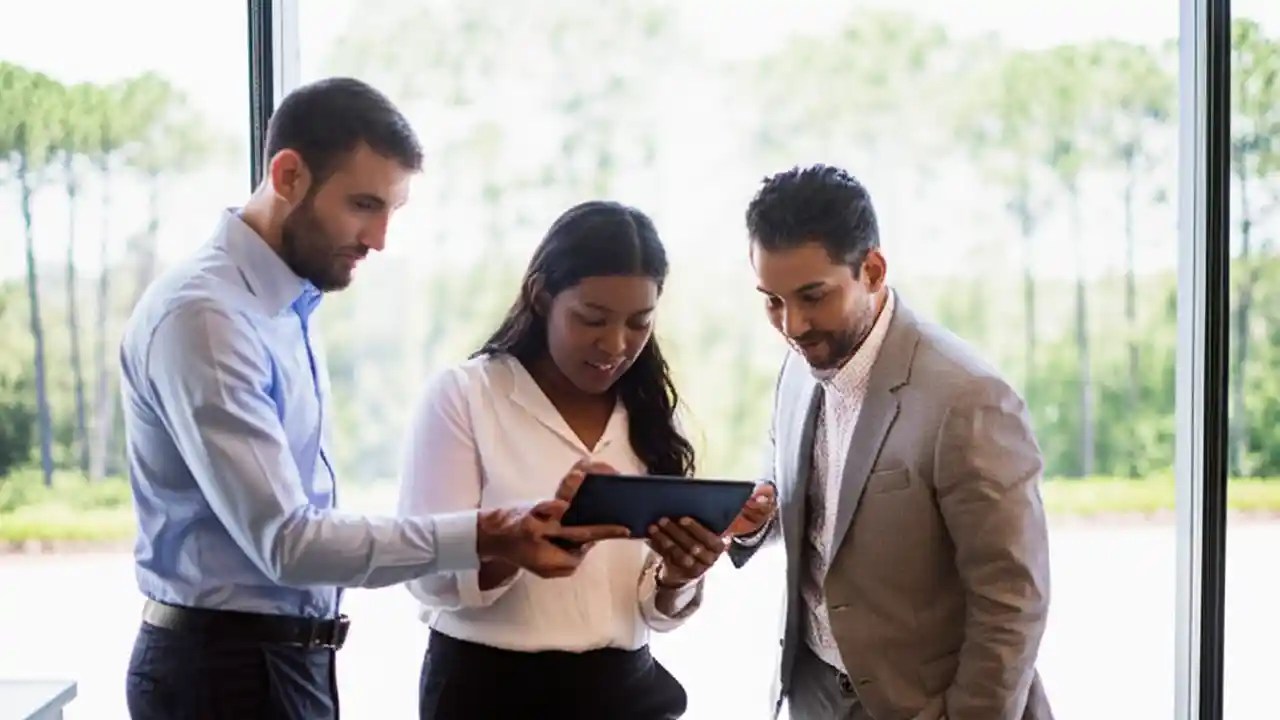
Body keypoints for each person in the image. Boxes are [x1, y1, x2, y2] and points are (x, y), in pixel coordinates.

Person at [118, 77, 626, 720]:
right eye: (363, 205)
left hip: (282, 663)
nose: (379, 238)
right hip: (224, 676)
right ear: (288, 175)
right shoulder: (208, 318)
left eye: (392, 211)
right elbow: (288, 542)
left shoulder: (283, 306)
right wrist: (488, 533)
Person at [397, 200, 776, 720]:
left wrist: (678, 575)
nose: (616, 345)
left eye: (639, 323)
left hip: (625, 691)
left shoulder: (651, 416)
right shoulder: (465, 396)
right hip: (489, 691)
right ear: (541, 297)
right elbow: (426, 575)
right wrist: (517, 546)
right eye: (592, 319)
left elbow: (654, 612)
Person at [727, 164, 1053, 720]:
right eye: (772, 301)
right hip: (811, 696)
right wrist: (757, 517)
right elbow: (796, 491)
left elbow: (1012, 600)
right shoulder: (798, 366)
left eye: (812, 296)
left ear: (873, 271)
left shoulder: (969, 398)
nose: (792, 325)